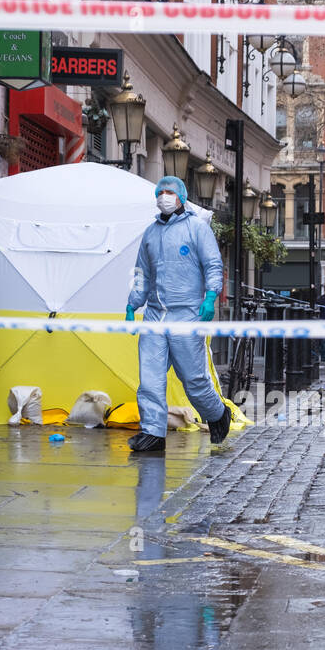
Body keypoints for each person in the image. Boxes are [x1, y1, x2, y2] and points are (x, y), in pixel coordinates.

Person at [125, 176, 231, 454]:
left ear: (182, 196)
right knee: (150, 377)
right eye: (160, 192)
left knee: (193, 379)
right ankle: (152, 432)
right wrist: (132, 304)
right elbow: (141, 273)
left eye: (169, 192)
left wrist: (210, 297)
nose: (164, 196)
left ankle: (218, 413)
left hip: (187, 314)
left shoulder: (197, 229)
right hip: (155, 314)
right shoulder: (150, 233)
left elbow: (212, 265)